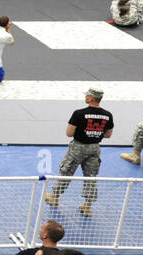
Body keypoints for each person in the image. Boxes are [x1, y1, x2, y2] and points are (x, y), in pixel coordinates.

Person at [45, 88, 113, 217]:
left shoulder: (79, 113)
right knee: (91, 177)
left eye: (87, 95)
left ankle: (54, 197)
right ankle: (87, 206)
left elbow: (69, 133)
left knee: (66, 171)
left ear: (91, 98)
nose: (86, 97)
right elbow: (108, 134)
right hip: (94, 148)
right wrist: (94, 134)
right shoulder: (107, 115)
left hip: (78, 147)